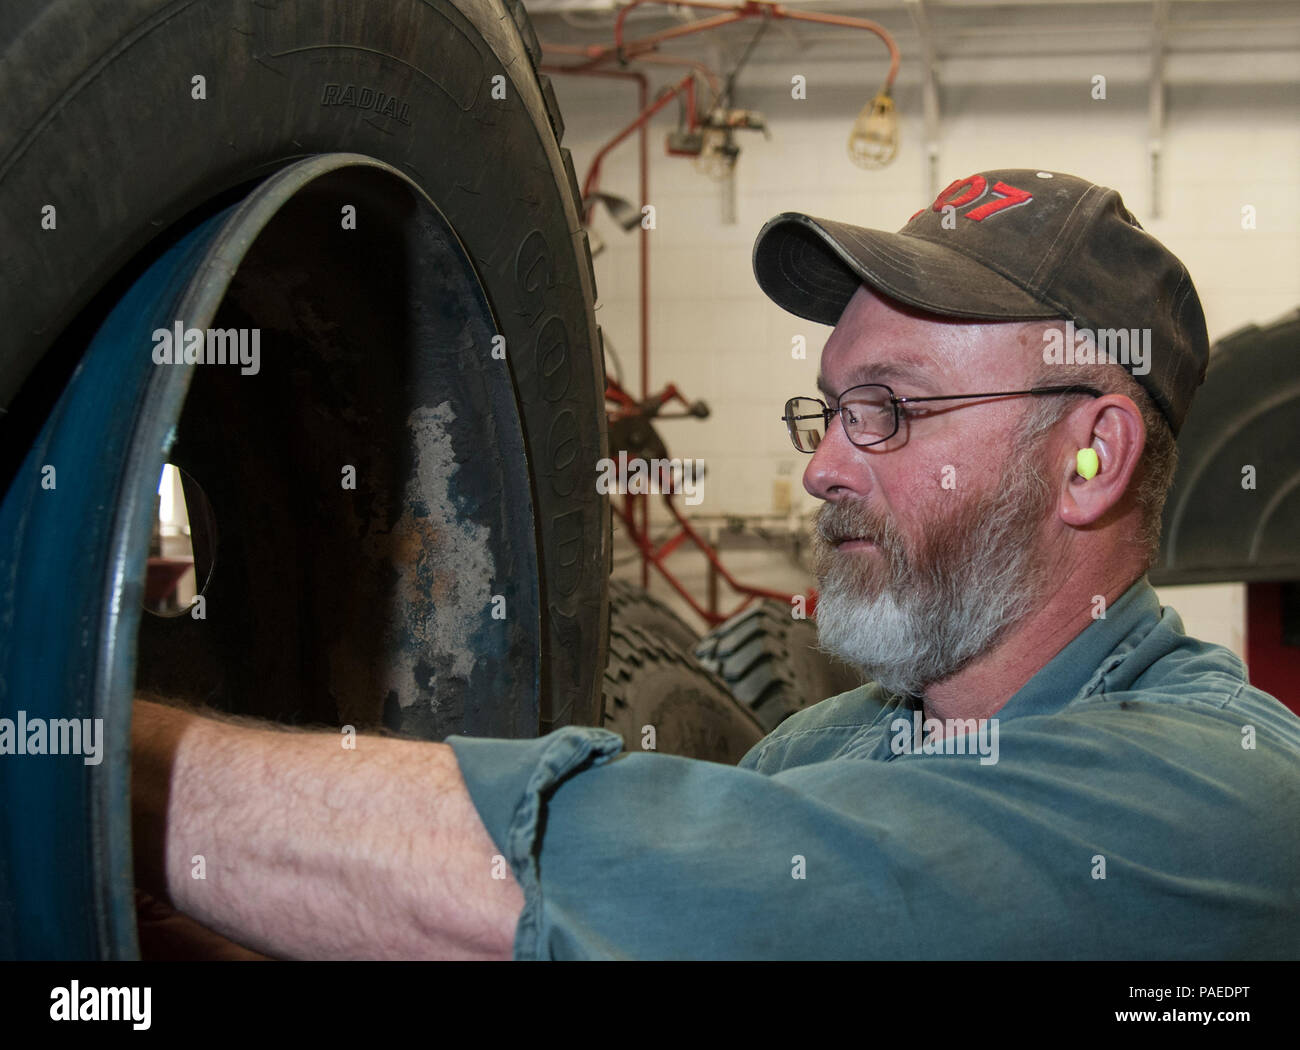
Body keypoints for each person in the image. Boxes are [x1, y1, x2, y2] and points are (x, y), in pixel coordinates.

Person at [132, 169, 1300, 960]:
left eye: (888, 411)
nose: (824, 471)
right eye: (830, 411)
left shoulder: (1219, 800)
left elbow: (636, 880)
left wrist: (100, 764)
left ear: (1090, 454)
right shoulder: (820, 748)